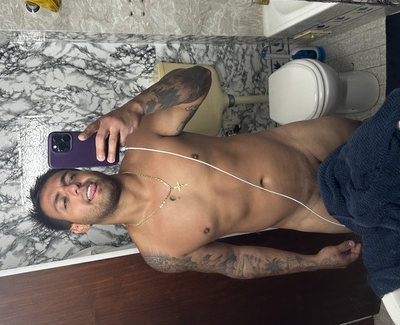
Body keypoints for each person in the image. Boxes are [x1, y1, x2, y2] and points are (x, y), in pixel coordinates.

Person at [30, 65, 363, 280]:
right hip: (314, 210)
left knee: (384, 135)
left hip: (309, 142)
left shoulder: (143, 141)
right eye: (63, 201)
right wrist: (315, 262)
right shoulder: (161, 251)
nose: (73, 188)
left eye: (69, 179)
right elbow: (237, 261)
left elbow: (200, 79)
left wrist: (134, 107)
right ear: (79, 226)